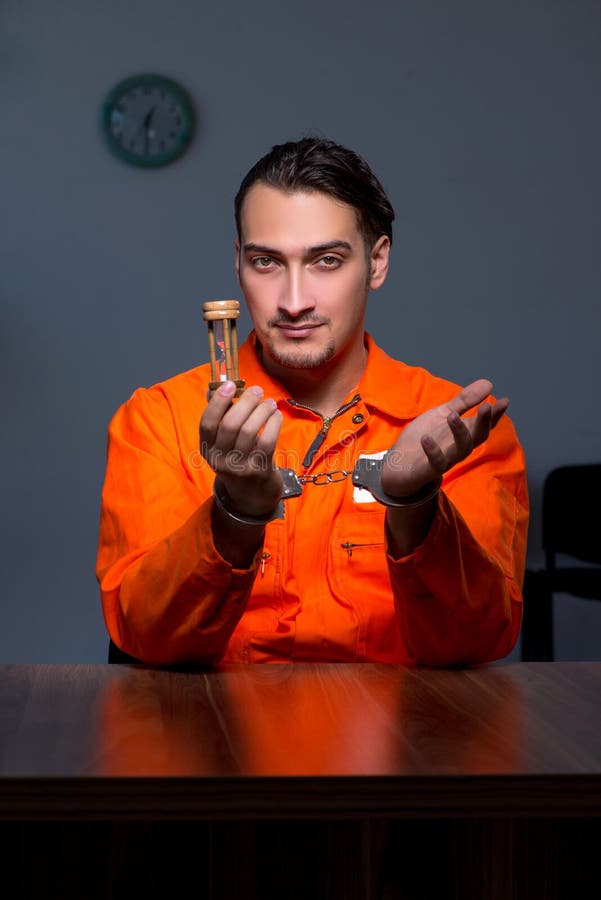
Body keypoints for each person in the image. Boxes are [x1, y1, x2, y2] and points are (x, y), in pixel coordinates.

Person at [96, 136, 529, 667]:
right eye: (266, 262)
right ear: (238, 265)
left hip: (406, 740)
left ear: (377, 262)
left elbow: (477, 643)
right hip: (216, 740)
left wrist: (416, 507)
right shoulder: (159, 419)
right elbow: (146, 638)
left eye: (326, 260)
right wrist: (237, 513)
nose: (294, 302)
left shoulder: (453, 431)